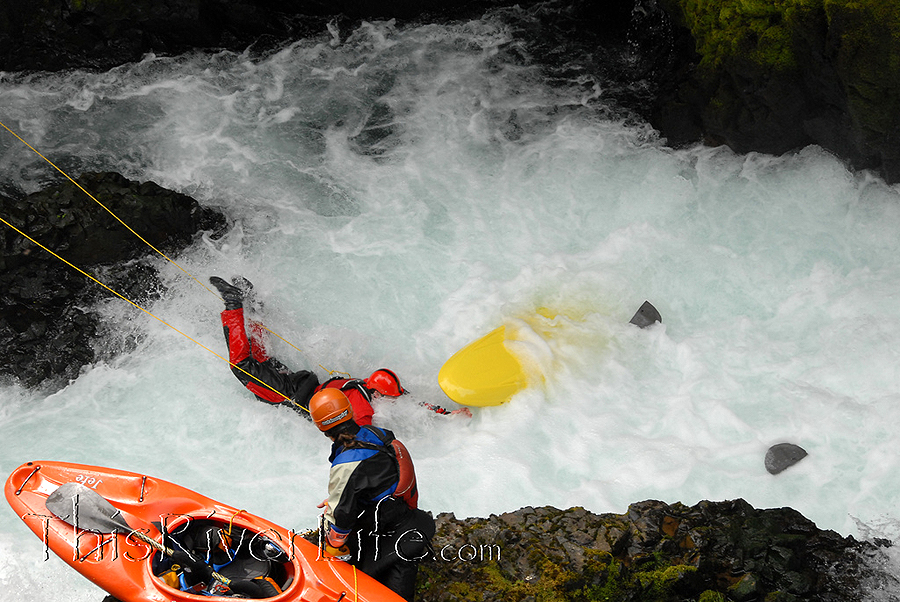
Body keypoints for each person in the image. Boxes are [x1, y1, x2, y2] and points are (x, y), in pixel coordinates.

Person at [209, 275, 470, 421]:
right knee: (242, 365)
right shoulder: (364, 403)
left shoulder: (367, 384)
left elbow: (411, 400)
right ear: (379, 393)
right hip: (290, 394)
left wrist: (447, 414)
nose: (391, 401)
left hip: (304, 382)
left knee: (263, 360)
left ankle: (256, 308)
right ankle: (234, 304)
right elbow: (363, 431)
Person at [310, 388, 435, 601]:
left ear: (321, 426)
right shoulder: (377, 434)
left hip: (381, 534)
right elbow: (377, 476)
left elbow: (342, 518)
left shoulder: (346, 463)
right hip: (405, 518)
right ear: (349, 411)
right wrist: (343, 497)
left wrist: (332, 544)